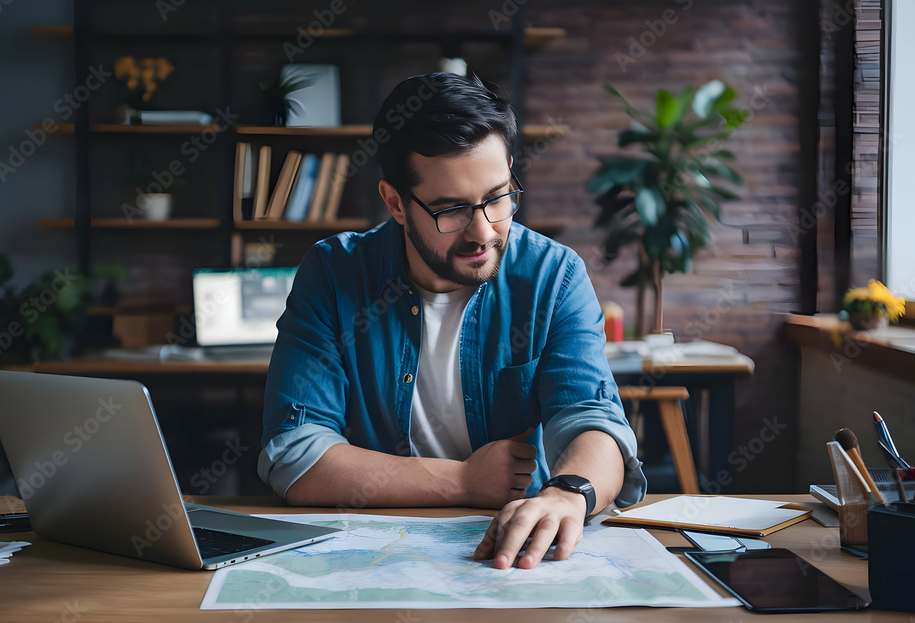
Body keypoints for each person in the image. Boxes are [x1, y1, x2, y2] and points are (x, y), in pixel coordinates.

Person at [258, 72, 646, 570]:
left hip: (518, 553)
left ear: (509, 170)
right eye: (451, 209)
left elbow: (594, 422)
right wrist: (461, 480)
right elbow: (296, 454)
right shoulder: (334, 274)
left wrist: (568, 493)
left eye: (497, 197)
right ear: (396, 202)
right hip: (373, 556)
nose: (482, 231)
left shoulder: (554, 275)